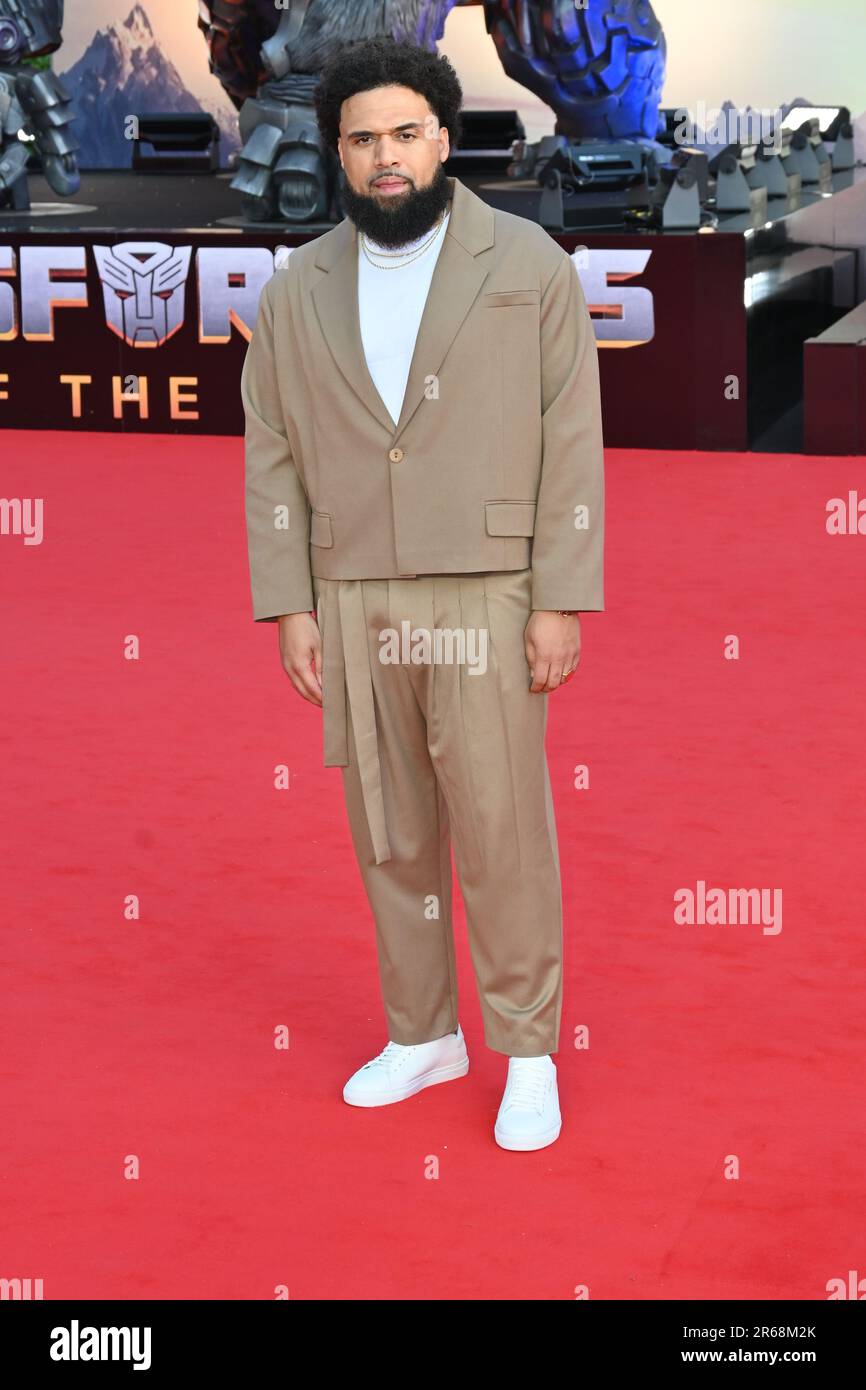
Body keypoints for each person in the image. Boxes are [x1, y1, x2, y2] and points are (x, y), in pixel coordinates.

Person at [241, 37, 605, 1152]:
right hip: (353, 594)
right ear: (337, 155)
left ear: (443, 140)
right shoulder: (297, 287)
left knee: (499, 830)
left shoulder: (528, 262)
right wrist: (289, 600)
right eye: (362, 139)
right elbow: (273, 452)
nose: (384, 157)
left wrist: (558, 597)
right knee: (390, 833)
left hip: (486, 591)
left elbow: (570, 439)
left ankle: (527, 1049)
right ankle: (423, 1032)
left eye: (404, 134)